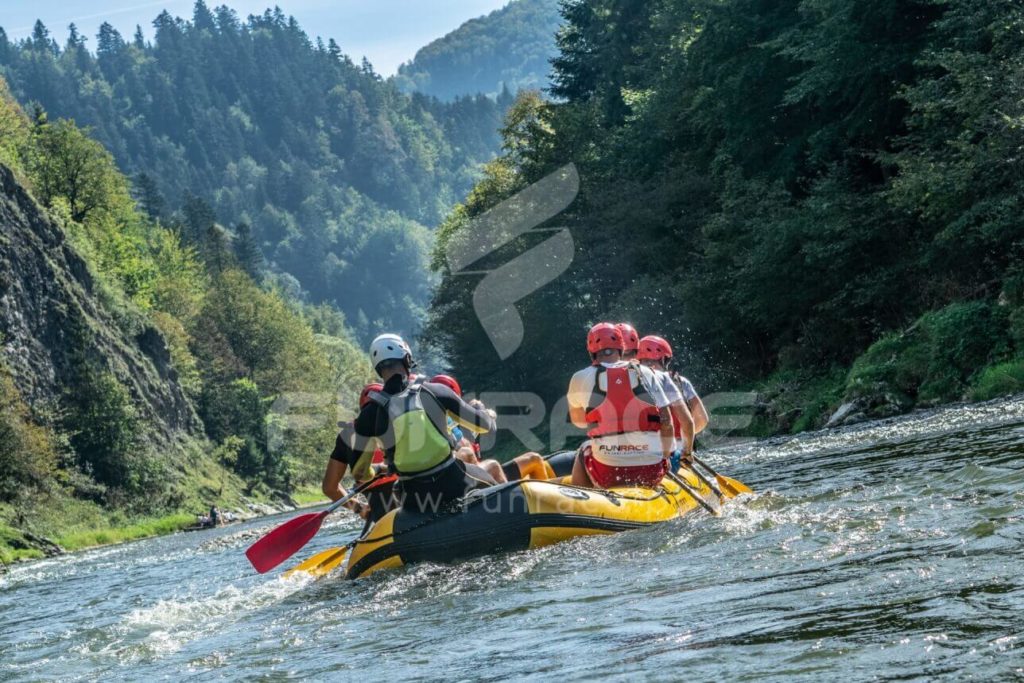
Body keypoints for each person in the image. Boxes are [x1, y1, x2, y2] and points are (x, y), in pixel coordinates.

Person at [324, 333, 498, 515]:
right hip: (456, 483)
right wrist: (489, 415)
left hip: (414, 499)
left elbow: (361, 473)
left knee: (403, 492)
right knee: (493, 480)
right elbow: (483, 425)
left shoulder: (369, 415)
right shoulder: (436, 391)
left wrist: (378, 469)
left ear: (378, 369)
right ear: (407, 358)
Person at [566, 322, 675, 489]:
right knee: (659, 450)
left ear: (591, 352)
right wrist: (665, 455)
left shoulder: (579, 378)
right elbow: (667, 421)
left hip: (608, 472)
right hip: (651, 470)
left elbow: (579, 422)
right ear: (622, 348)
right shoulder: (646, 372)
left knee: (584, 448)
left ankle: (580, 500)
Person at [431, 374, 556, 482]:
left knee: (534, 459)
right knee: (532, 459)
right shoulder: (454, 425)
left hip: (478, 474)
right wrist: (482, 411)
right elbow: (487, 427)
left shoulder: (435, 424)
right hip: (478, 478)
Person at [636, 335, 696, 470]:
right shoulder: (671, 379)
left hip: (625, 454)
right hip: (668, 453)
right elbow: (692, 421)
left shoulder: (627, 376)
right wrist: (687, 451)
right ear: (663, 359)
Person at [637, 335, 709, 436]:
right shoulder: (681, 382)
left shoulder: (634, 383)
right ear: (665, 360)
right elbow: (702, 419)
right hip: (679, 446)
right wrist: (684, 435)